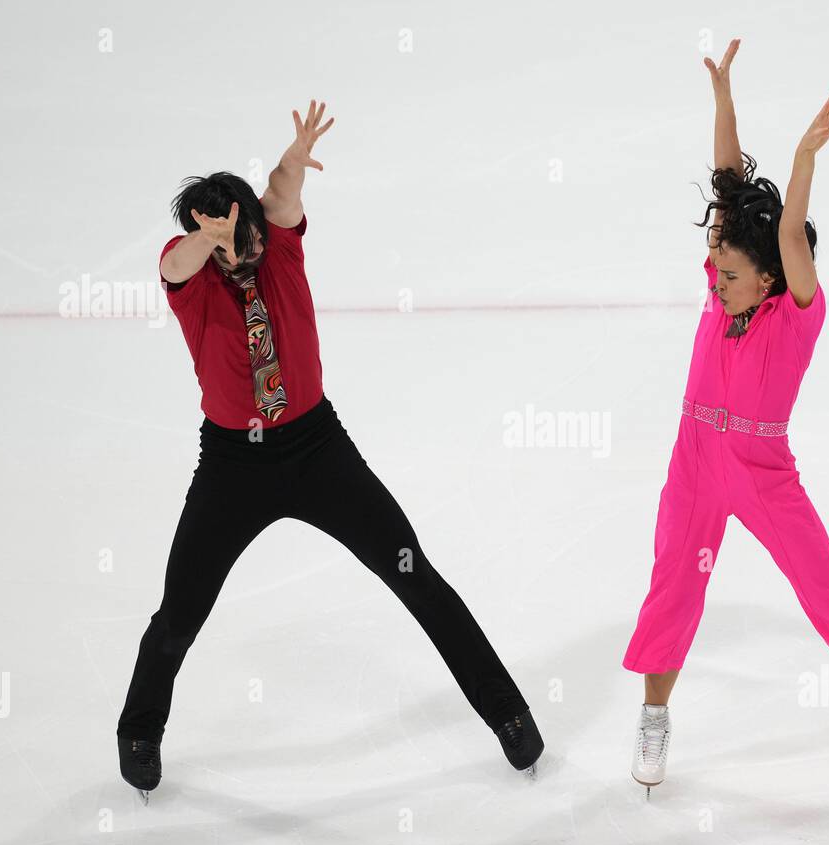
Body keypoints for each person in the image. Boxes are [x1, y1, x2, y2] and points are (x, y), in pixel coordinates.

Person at [117, 101, 543, 798]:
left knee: (414, 574)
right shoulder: (192, 281)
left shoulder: (280, 244)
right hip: (233, 466)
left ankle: (508, 713)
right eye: (228, 239)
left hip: (318, 450)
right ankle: (139, 730)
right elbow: (175, 259)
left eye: (247, 230)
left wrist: (290, 161)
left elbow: (283, 194)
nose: (244, 246)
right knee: (180, 614)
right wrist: (206, 238)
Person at [621, 41, 829, 796]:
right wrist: (723, 98)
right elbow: (728, 189)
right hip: (695, 460)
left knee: (826, 597)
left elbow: (785, 233)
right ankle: (654, 717)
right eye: (717, 269)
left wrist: (804, 161)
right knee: (672, 588)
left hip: (761, 475)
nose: (716, 281)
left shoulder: (796, 315)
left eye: (731, 274)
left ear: (770, 278)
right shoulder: (726, 289)